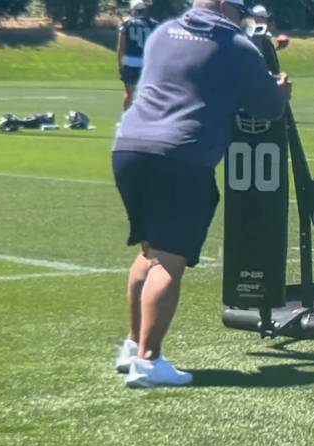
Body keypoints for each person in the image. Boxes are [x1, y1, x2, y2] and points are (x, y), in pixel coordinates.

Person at [111, 0, 292, 389]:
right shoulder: (235, 45)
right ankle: (147, 360)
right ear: (226, 6)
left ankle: (131, 345)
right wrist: (282, 91)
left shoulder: (163, 33)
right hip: (180, 154)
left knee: (149, 252)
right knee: (168, 261)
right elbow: (269, 106)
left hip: (128, 147)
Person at [116, 0, 159, 121]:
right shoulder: (154, 24)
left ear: (134, 10)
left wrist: (120, 64)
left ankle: (126, 121)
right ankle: (146, 121)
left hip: (130, 62)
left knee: (129, 94)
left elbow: (121, 47)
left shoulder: (127, 24)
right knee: (147, 95)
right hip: (147, 64)